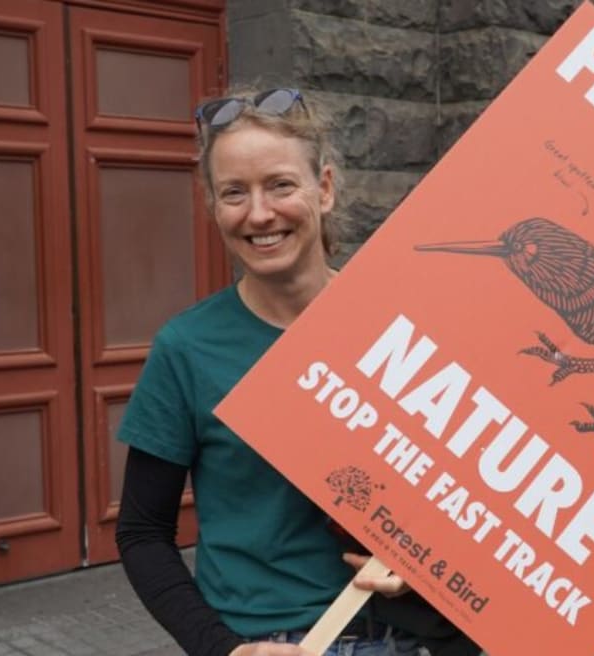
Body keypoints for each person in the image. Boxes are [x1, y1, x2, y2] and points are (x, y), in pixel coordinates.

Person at [115, 88, 480, 656]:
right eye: (234, 192)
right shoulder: (187, 348)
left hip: (410, 639)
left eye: (280, 185)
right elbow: (142, 534)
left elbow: (474, 499)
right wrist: (223, 650)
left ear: (325, 188)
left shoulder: (402, 324)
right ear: (213, 207)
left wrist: (432, 567)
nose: (259, 214)